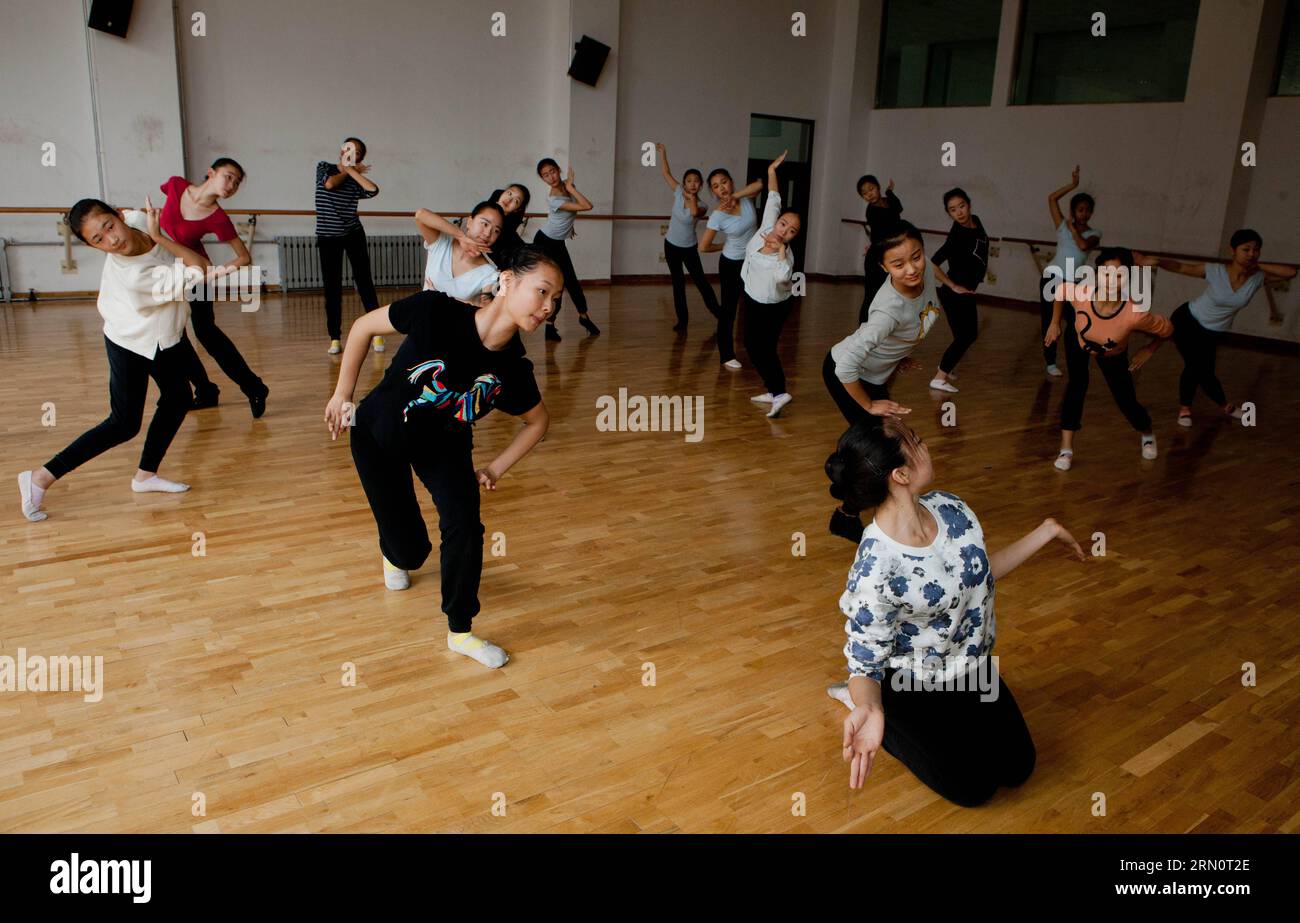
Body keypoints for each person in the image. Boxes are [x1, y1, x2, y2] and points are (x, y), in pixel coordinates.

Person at [826, 418, 1086, 806]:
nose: (924, 441)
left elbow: (977, 576)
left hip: (971, 667)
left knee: (1018, 767)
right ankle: (880, 715)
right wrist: (868, 703)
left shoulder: (950, 508)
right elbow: (865, 662)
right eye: (914, 440)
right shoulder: (875, 567)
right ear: (900, 474)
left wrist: (1045, 532)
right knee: (972, 789)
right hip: (910, 684)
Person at [323, 246, 558, 669]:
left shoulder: (513, 371)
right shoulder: (435, 312)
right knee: (412, 553)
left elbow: (538, 422)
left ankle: (461, 632)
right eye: (542, 292)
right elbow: (361, 327)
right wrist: (343, 394)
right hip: (379, 434)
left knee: (466, 524)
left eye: (554, 300)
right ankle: (394, 553)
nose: (548, 307)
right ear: (507, 281)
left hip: (445, 446)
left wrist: (494, 467)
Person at [18, 198, 211, 521]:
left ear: (120, 215)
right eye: (99, 240)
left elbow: (144, 218)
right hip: (130, 339)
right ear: (93, 247)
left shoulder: (135, 220)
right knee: (123, 424)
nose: (113, 240)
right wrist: (160, 236)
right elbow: (199, 267)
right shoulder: (137, 278)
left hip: (163, 335)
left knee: (178, 398)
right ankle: (39, 477)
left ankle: (145, 476)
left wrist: (152, 228)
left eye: (110, 226)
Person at [824, 223, 969, 542]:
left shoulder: (926, 271)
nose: (912, 269)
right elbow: (844, 366)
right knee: (882, 454)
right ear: (883, 267)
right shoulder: (886, 311)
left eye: (916, 256)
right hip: (848, 376)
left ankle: (846, 494)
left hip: (872, 373)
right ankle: (847, 514)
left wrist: (896, 355)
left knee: (883, 448)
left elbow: (931, 269)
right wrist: (869, 404)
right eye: (898, 264)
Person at [1134, 230, 1297, 426]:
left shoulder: (1258, 278)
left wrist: (1255, 265)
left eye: (1256, 250)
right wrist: (1157, 261)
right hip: (1188, 321)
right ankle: (1194, 409)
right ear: (1232, 251)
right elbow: (1181, 266)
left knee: (1205, 370)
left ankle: (1219, 406)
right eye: (1246, 249)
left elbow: (1291, 272)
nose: (1251, 254)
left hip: (1213, 332)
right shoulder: (1216, 270)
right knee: (1196, 367)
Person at [158, 157, 269, 417]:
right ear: (211, 173)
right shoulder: (175, 185)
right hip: (164, 270)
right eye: (228, 176)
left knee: (207, 333)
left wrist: (211, 276)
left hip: (196, 274)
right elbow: (162, 217)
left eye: (237, 182)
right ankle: (205, 391)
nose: (232, 185)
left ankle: (254, 387)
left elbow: (244, 257)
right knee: (174, 333)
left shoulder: (218, 218)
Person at [1044, 247, 1172, 470]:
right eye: (1106, 274)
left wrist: (1149, 349)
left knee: (1125, 400)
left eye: (1120, 275)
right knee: (1076, 387)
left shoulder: (1135, 314)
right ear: (1096, 275)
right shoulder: (1082, 294)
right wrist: (1055, 323)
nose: (1112, 281)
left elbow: (1168, 329)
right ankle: (1066, 450)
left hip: (1112, 353)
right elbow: (1060, 292)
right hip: (1078, 341)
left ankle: (1147, 434)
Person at [740, 152, 801, 418]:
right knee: (753, 345)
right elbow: (774, 196)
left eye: (791, 230)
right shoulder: (767, 225)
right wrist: (772, 170)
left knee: (762, 348)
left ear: (793, 237)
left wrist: (778, 252)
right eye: (783, 223)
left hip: (773, 306)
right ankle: (773, 389)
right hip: (752, 296)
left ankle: (779, 392)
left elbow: (782, 279)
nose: (784, 229)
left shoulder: (785, 258)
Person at [317, 137, 381, 355]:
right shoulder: (324, 168)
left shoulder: (354, 179)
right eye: (346, 147)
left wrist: (354, 172)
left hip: (353, 233)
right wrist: (349, 170)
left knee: (364, 281)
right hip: (328, 236)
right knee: (331, 287)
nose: (349, 151)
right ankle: (335, 337)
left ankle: (377, 332)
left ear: (360, 157)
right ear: (341, 149)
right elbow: (330, 184)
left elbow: (373, 190)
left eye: (356, 150)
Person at [699, 167, 763, 369]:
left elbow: (761, 183)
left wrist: (736, 196)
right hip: (732, 264)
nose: (722, 188)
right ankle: (726, 355)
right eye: (716, 187)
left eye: (724, 182)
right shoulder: (717, 215)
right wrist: (723, 245)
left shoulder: (745, 198)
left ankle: (755, 349)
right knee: (729, 310)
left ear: (731, 182)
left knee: (755, 305)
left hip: (753, 261)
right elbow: (703, 246)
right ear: (714, 192)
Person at [1040, 166, 1100, 377]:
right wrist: (1072, 185)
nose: (1084, 213)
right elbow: (1051, 199)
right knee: (1049, 320)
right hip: (1052, 278)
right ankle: (1050, 362)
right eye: (1080, 209)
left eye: (1087, 210)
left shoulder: (1094, 234)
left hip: (1073, 284)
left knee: (1076, 322)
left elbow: (1083, 246)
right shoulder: (1062, 227)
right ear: (1073, 211)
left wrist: (1074, 228)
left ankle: (1076, 357)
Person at [928, 187, 989, 393]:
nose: (959, 212)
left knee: (963, 335)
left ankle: (947, 367)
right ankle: (940, 377)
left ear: (969, 204)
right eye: (953, 210)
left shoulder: (977, 222)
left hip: (965, 291)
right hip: (956, 293)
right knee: (968, 336)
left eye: (961, 206)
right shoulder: (958, 236)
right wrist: (953, 285)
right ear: (949, 213)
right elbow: (932, 263)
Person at [532, 159, 600, 340]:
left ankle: (583, 316)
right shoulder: (554, 198)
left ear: (558, 170)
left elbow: (570, 213)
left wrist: (569, 229)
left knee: (571, 281)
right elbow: (587, 206)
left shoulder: (568, 187)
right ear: (542, 178)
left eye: (552, 171)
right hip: (545, 242)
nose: (551, 177)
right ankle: (550, 326)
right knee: (558, 284)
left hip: (557, 242)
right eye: (545, 175)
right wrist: (570, 187)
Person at [654, 142, 719, 331]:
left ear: (700, 186)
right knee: (678, 283)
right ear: (684, 183)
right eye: (689, 180)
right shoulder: (678, 192)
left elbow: (693, 213)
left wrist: (691, 199)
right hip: (671, 246)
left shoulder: (703, 205)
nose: (692, 183)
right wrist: (663, 153)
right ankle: (682, 321)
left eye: (696, 181)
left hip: (689, 248)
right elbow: (666, 173)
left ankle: (719, 314)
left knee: (701, 282)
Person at [413, 201, 502, 304]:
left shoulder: (490, 273)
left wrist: (442, 300)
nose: (487, 234)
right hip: (419, 315)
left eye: (496, 231)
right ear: (469, 222)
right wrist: (461, 236)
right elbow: (420, 215)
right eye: (485, 224)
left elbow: (486, 313)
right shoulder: (442, 242)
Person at [857, 175, 903, 323]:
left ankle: (881, 328)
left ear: (878, 187)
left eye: (871, 189)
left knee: (890, 295)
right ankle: (863, 328)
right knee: (871, 295)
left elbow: (898, 208)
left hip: (891, 255)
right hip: (877, 257)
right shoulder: (871, 211)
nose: (869, 194)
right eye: (865, 193)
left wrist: (889, 192)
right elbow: (886, 229)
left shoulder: (889, 201)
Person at [485, 184, 531, 269]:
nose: (509, 200)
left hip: (513, 255)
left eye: (516, 201)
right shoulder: (485, 212)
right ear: (502, 193)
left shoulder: (506, 230)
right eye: (509, 193)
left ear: (517, 209)